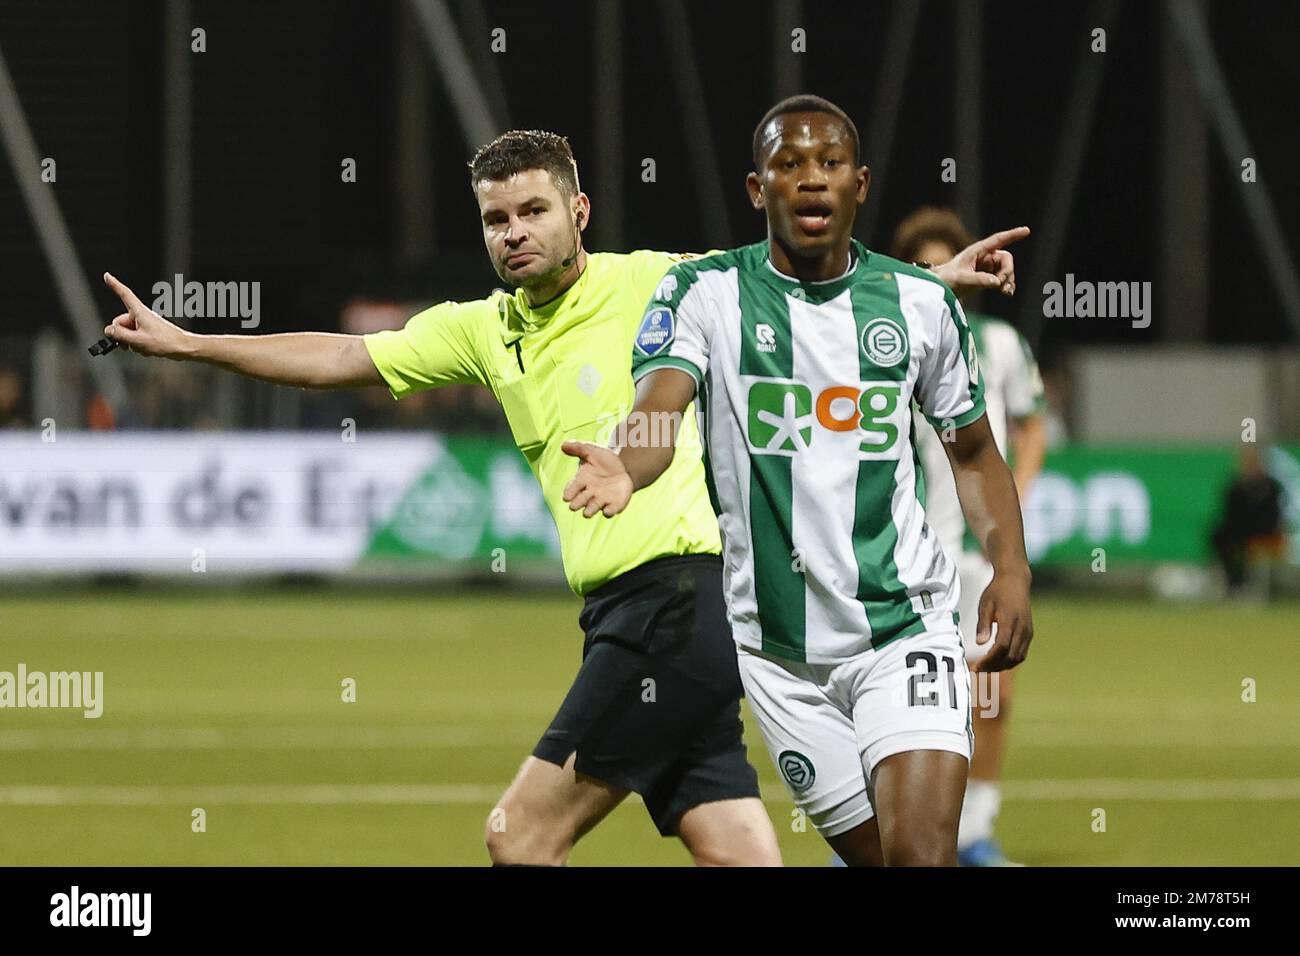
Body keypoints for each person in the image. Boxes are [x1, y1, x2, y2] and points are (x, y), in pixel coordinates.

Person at [102, 127, 1021, 867]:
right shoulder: (479, 330)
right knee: (738, 846)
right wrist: (189, 343)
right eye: (497, 217)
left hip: (680, 599)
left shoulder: (657, 282)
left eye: (534, 209)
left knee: (520, 835)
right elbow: (341, 358)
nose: (515, 231)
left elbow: (797, 291)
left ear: (579, 210)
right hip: (652, 617)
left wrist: (933, 282)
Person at [562, 95, 1034, 866]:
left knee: (920, 858)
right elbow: (660, 406)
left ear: (861, 183)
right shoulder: (704, 295)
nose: (810, 179)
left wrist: (1011, 571)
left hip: (905, 629)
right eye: (788, 164)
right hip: (779, 656)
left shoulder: (920, 305)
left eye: (829, 163)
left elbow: (975, 454)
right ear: (758, 189)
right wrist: (628, 461)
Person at [892, 206, 1047, 866]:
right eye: (924, 266)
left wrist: (1019, 500)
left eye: (947, 263)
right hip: (908, 552)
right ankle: (876, 833)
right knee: (900, 694)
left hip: (979, 554)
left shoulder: (1001, 346)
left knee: (990, 692)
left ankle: (976, 832)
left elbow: (1031, 423)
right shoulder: (885, 338)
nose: (943, 280)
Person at [1212, 445, 1286, 595]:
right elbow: (1229, 511)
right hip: (1239, 531)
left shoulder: (1271, 487)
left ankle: (1243, 582)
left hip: (1263, 530)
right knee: (1222, 538)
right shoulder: (1236, 486)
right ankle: (1235, 581)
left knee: (1246, 547)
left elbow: (1274, 514)